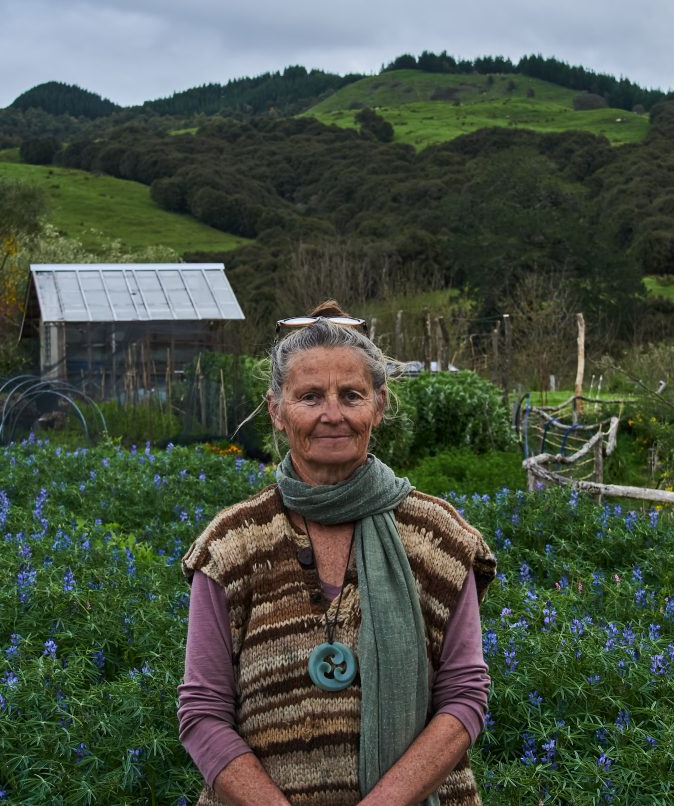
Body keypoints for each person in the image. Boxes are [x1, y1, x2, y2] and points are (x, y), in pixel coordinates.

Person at [178, 300, 496, 805]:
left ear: (379, 406)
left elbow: (465, 697)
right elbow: (203, 714)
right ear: (276, 411)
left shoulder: (440, 538)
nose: (332, 414)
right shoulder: (230, 545)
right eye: (310, 396)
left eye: (351, 395)